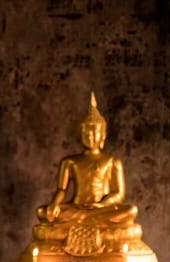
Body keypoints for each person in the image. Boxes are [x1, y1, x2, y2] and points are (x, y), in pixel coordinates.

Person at [37, 92, 138, 226]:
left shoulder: (112, 161)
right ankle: (89, 220)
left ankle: (84, 219)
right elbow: (61, 190)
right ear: (80, 134)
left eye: (95, 132)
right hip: (76, 207)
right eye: (86, 132)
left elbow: (119, 194)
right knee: (41, 212)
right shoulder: (69, 162)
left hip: (101, 209)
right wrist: (54, 204)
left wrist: (102, 204)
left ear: (103, 135)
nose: (90, 136)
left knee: (131, 210)